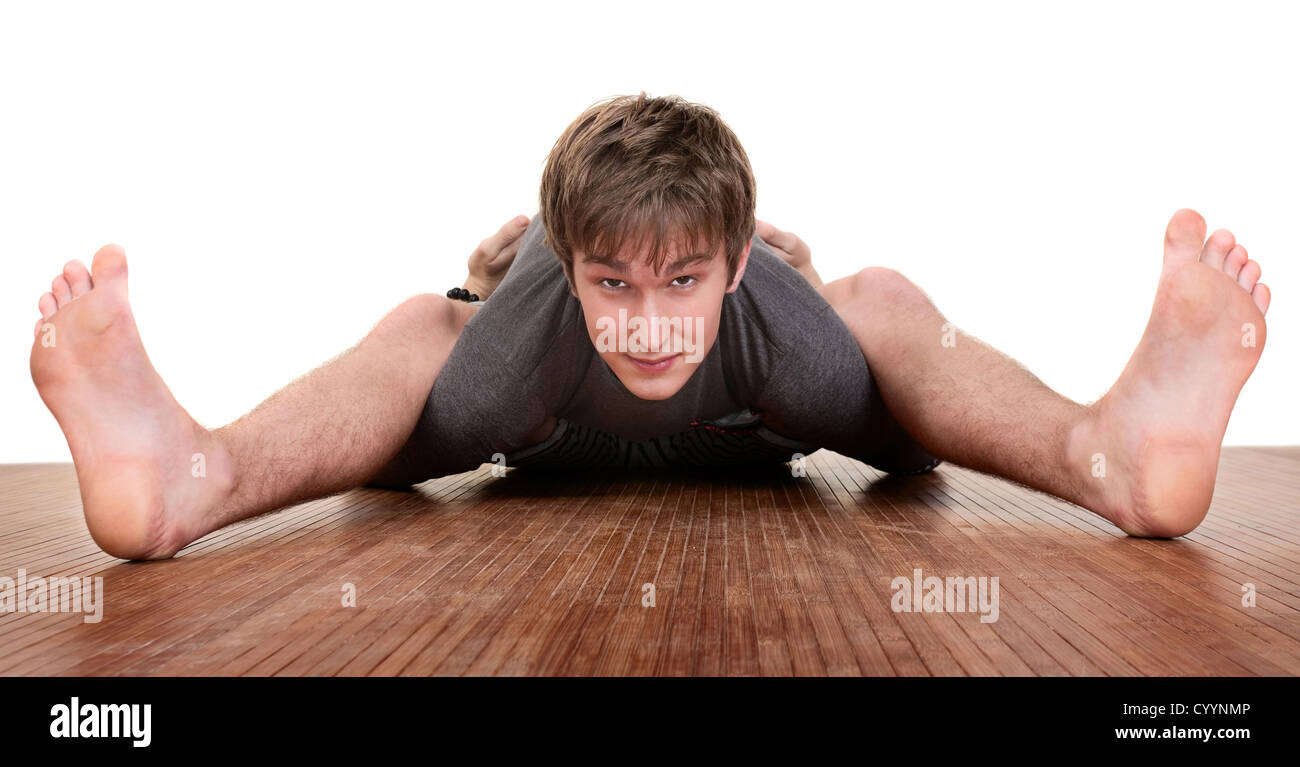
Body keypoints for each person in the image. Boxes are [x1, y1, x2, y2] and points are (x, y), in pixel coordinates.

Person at [29, 94, 1270, 561]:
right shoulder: (522, 325)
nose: (648, 323)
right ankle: (189, 475)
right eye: (613, 282)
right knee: (421, 319)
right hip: (527, 430)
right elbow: (482, 331)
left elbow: (897, 434)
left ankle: (1110, 452)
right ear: (572, 271)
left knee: (880, 295)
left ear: (732, 266)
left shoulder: (777, 312)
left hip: (762, 421)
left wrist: (797, 277)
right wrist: (513, 266)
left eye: (682, 280)